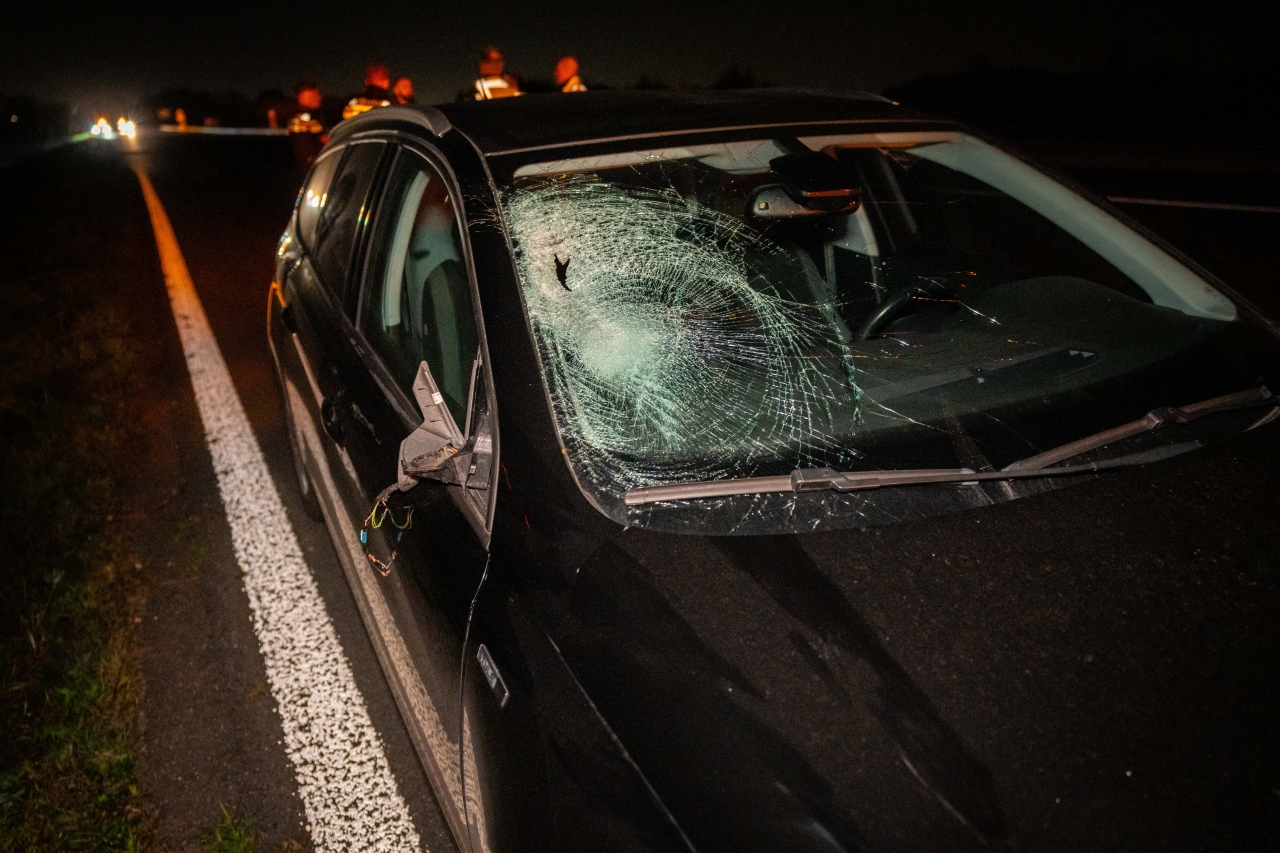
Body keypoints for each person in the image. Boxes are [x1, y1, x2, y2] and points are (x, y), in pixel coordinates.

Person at [287, 79, 326, 164]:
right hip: (309, 164)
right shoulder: (304, 118)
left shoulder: (294, 115)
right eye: (315, 95)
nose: (319, 97)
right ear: (305, 96)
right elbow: (325, 139)